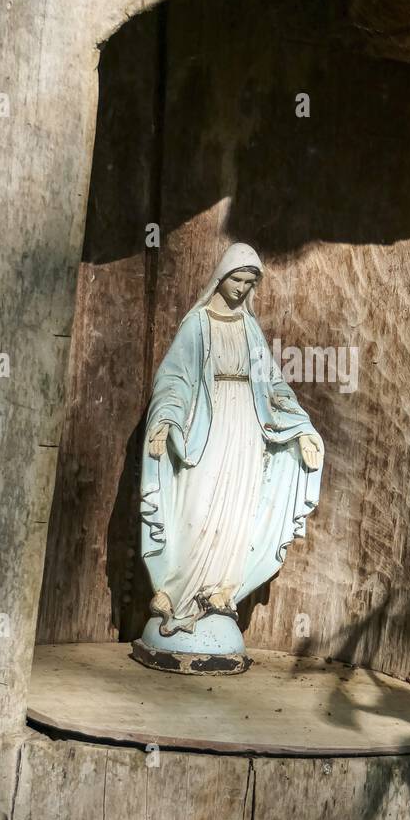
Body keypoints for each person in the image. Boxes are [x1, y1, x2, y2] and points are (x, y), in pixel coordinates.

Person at [140, 242, 324, 638]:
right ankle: (174, 592)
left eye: (249, 282)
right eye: (237, 279)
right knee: (199, 505)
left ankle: (220, 591)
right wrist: (166, 418)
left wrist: (302, 427)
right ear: (221, 277)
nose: (241, 288)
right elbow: (174, 379)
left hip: (246, 430)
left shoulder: (250, 329)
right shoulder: (197, 325)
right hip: (206, 430)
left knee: (236, 510)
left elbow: (274, 386)